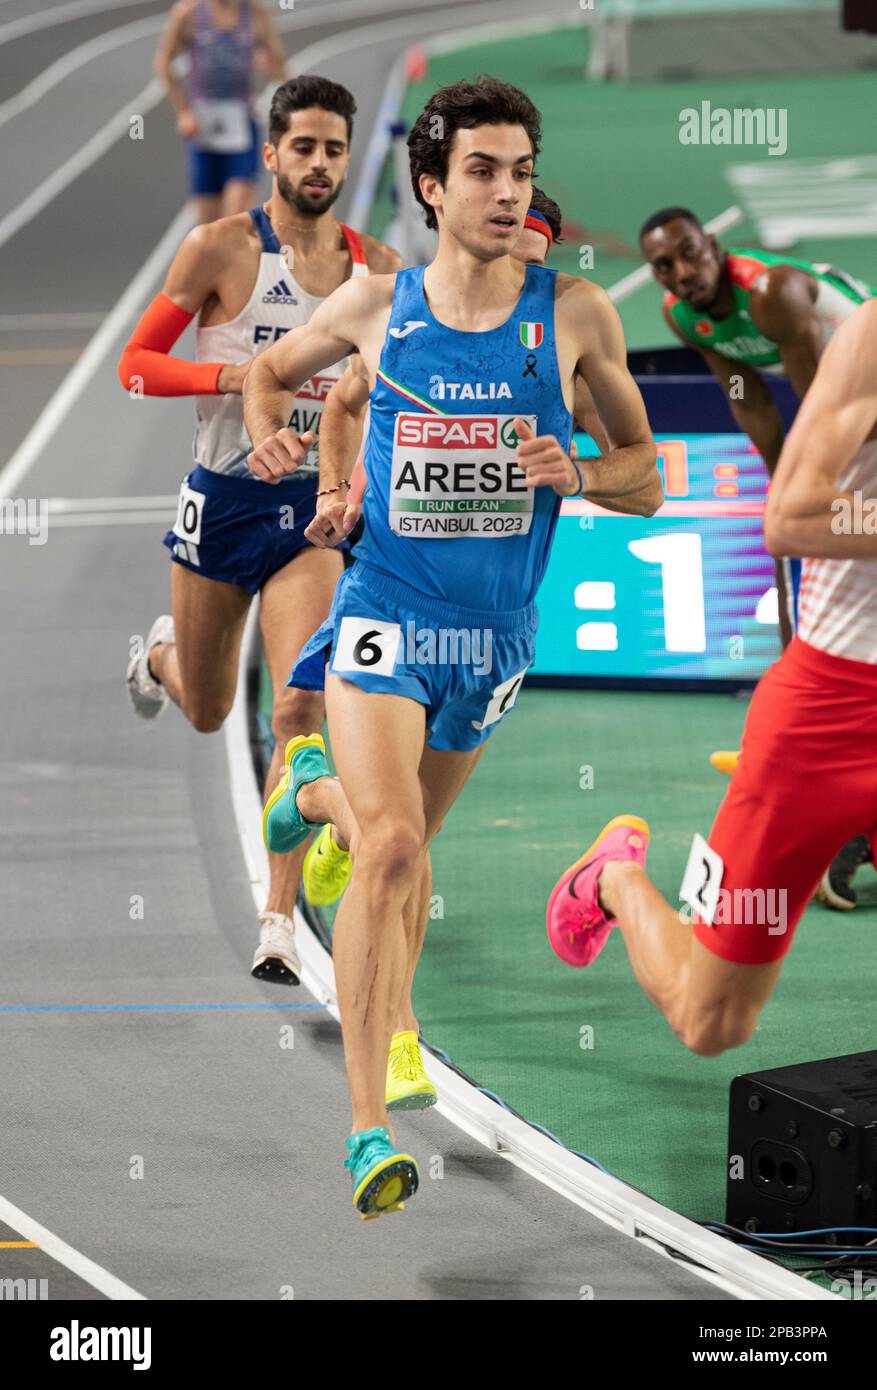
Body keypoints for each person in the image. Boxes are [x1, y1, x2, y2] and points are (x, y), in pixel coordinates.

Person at [242, 76, 661, 1218]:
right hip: (387, 609)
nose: (504, 191)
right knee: (390, 850)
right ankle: (368, 1127)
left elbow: (647, 472)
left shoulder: (572, 316)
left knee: (408, 840)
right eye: (481, 170)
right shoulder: (380, 307)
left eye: (519, 171)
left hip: (492, 639)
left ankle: (304, 792)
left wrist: (582, 473)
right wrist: (297, 457)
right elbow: (270, 375)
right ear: (431, 187)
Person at [120, 76, 401, 985]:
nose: (318, 164)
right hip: (223, 498)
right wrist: (233, 383)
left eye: (333, 149)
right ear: (271, 154)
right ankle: (160, 656)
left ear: (347, 159)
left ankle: (276, 919)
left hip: (309, 516)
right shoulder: (219, 249)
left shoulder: (379, 271)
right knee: (206, 709)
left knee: (297, 705)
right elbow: (135, 365)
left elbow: (384, 398)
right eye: (303, 148)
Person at [546, 298, 877, 1058]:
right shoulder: (868, 339)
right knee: (711, 1024)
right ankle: (614, 881)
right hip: (822, 724)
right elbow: (789, 517)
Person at [640, 207, 876, 906]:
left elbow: (817, 401)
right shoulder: (686, 317)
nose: (682, 274)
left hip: (856, 410)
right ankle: (840, 826)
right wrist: (782, 492)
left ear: (712, 246)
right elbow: (747, 398)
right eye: (664, 266)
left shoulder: (772, 292)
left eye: (689, 255)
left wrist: (805, 500)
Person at [155, 0, 286, 225]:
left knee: (237, 217)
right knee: (208, 225)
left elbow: (281, 70)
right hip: (203, 125)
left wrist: (268, 65)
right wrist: (183, 111)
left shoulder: (256, 13)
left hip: (242, 123)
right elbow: (163, 64)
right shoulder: (189, 13)